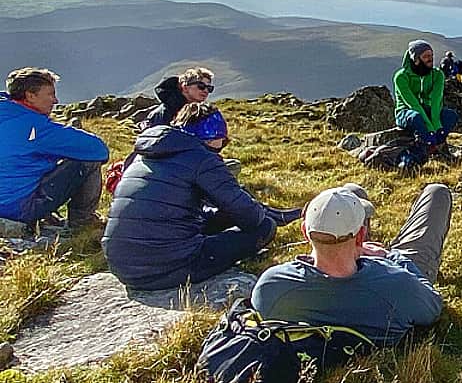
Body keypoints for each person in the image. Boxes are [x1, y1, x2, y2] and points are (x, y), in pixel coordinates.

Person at [103, 103, 283, 290]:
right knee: (265, 227)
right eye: (223, 140)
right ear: (215, 137)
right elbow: (250, 217)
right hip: (168, 268)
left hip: (120, 265)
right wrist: (256, 212)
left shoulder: (143, 154)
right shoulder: (203, 158)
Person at [251, 184, 448, 345]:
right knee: (437, 193)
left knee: (352, 190)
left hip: (357, 265)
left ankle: (348, 212)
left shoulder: (271, 285)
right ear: (361, 235)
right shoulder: (400, 286)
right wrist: (391, 256)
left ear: (304, 232)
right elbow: (433, 306)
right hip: (387, 275)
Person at [0, 68, 109, 230]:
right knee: (88, 161)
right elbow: (99, 150)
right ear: (30, 96)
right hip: (16, 208)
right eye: (50, 94)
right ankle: (82, 222)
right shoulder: (37, 128)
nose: (55, 100)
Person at [394, 40, 458, 148]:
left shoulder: (437, 75)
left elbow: (436, 101)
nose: (430, 59)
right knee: (416, 117)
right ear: (415, 59)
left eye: (431, 55)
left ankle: (436, 144)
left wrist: (437, 126)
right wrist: (430, 128)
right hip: (406, 112)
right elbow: (412, 104)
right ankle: (422, 148)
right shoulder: (401, 77)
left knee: (450, 115)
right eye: (426, 56)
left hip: (427, 109)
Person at [143, 67, 215, 129]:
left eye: (209, 88)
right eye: (201, 86)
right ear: (185, 87)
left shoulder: (202, 113)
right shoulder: (164, 113)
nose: (206, 91)